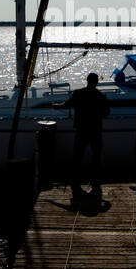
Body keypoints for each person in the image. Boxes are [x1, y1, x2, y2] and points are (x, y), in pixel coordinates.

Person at [53, 72, 110, 201]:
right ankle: (95, 180)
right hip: (95, 130)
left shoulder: (78, 93)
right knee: (96, 156)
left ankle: (76, 180)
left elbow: (67, 105)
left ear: (87, 80)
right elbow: (106, 112)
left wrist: (57, 106)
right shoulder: (101, 96)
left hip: (82, 129)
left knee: (78, 156)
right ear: (96, 82)